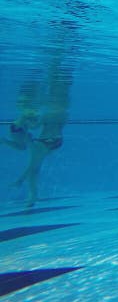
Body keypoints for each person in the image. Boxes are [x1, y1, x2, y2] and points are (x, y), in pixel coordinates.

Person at [3, 56, 71, 207]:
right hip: (56, 140)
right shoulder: (62, 111)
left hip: (44, 142)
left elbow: (35, 127)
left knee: (33, 168)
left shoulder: (48, 112)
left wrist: (28, 122)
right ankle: (28, 189)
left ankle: (29, 191)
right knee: (34, 167)